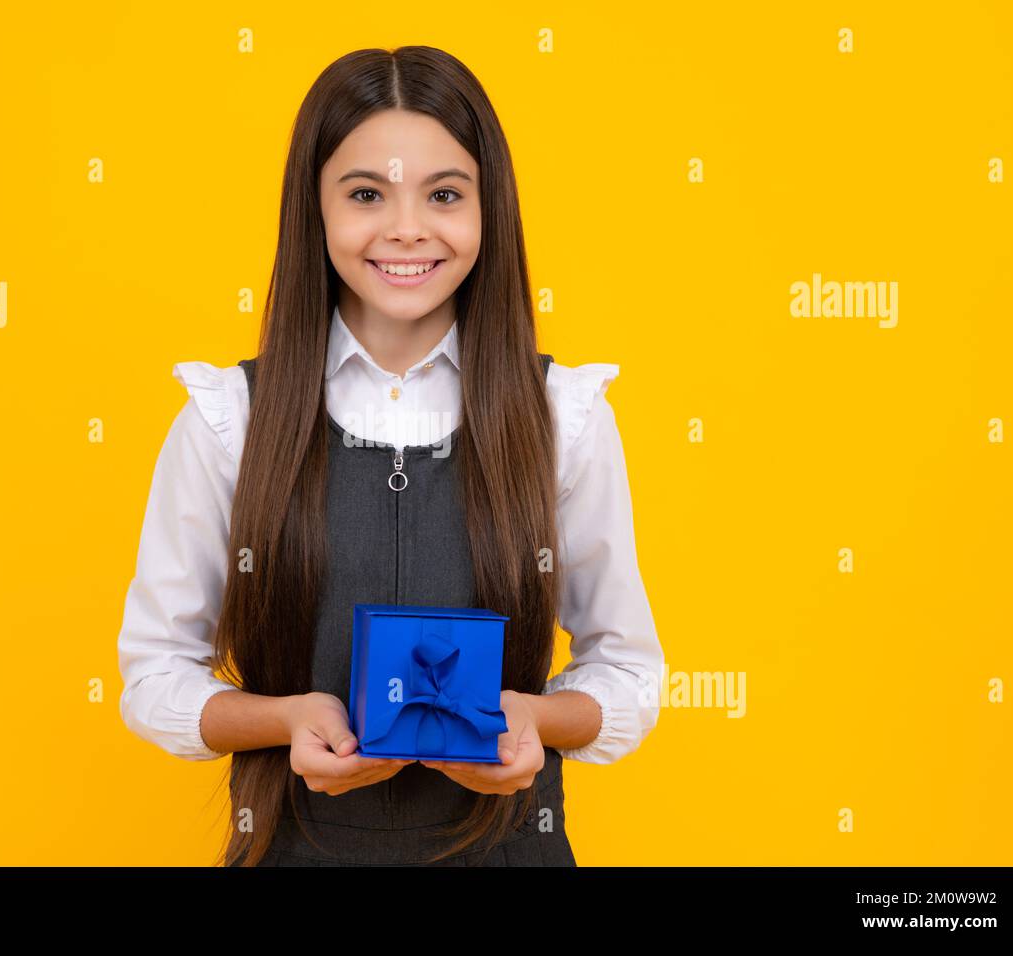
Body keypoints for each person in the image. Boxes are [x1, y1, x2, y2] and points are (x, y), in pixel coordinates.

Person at [117, 45, 664, 867]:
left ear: (490, 209)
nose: (407, 228)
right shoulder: (229, 419)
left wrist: (534, 721)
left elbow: (628, 672)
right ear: (316, 209)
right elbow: (155, 675)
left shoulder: (564, 416)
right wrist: (287, 720)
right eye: (367, 193)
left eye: (444, 194)